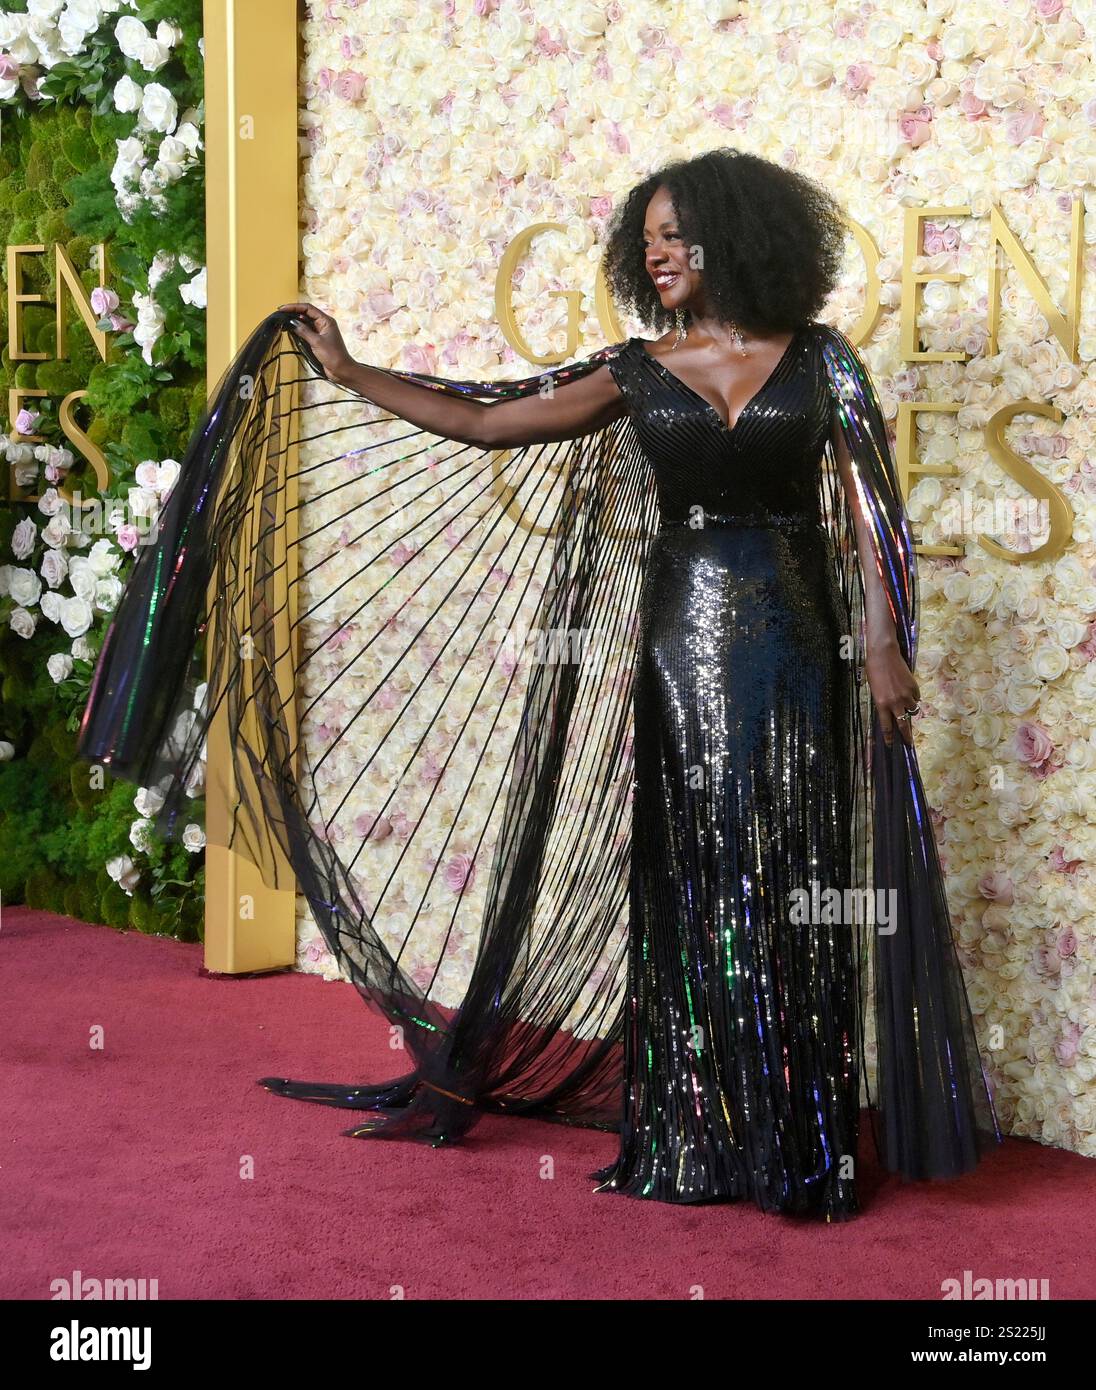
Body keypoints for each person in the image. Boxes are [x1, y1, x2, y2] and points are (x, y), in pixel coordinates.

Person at [77, 147, 1002, 1221]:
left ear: (738, 240)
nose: (656, 254)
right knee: (697, 876)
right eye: (646, 238)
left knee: (794, 868)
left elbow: (873, 518)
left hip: (803, 649)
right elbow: (484, 420)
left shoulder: (827, 361)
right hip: (680, 650)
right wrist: (351, 372)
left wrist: (882, 648)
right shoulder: (638, 369)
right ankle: (698, 1135)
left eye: (676, 236)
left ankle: (799, 1140)